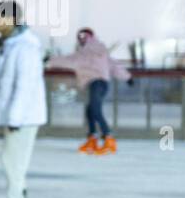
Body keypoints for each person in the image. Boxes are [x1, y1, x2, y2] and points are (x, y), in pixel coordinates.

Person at [0, 0, 48, 198]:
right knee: (10, 160)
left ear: (13, 19)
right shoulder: (8, 45)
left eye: (1, 18)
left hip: (24, 117)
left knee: (14, 162)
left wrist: (14, 118)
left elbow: (24, 86)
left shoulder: (25, 48)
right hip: (16, 115)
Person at [46, 27, 131, 155]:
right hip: (101, 83)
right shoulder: (101, 50)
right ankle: (92, 139)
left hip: (96, 83)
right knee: (90, 110)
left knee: (95, 110)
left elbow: (67, 60)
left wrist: (49, 60)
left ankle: (108, 138)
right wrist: (127, 77)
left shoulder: (83, 53)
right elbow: (113, 65)